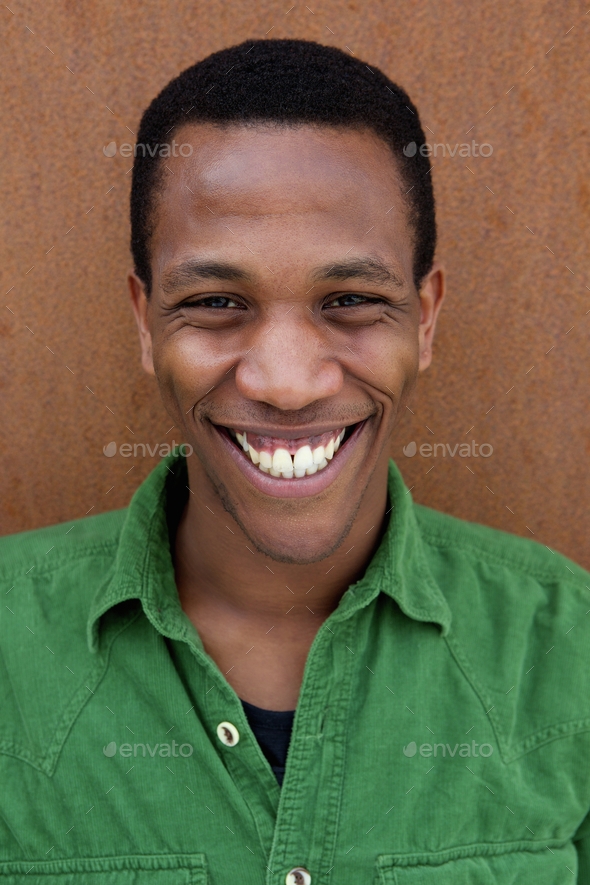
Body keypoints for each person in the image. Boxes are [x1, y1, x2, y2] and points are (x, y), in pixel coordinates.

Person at [1, 38, 589, 885]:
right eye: (216, 302)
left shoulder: (567, 652)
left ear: (424, 319)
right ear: (145, 321)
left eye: (350, 300)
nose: (284, 383)